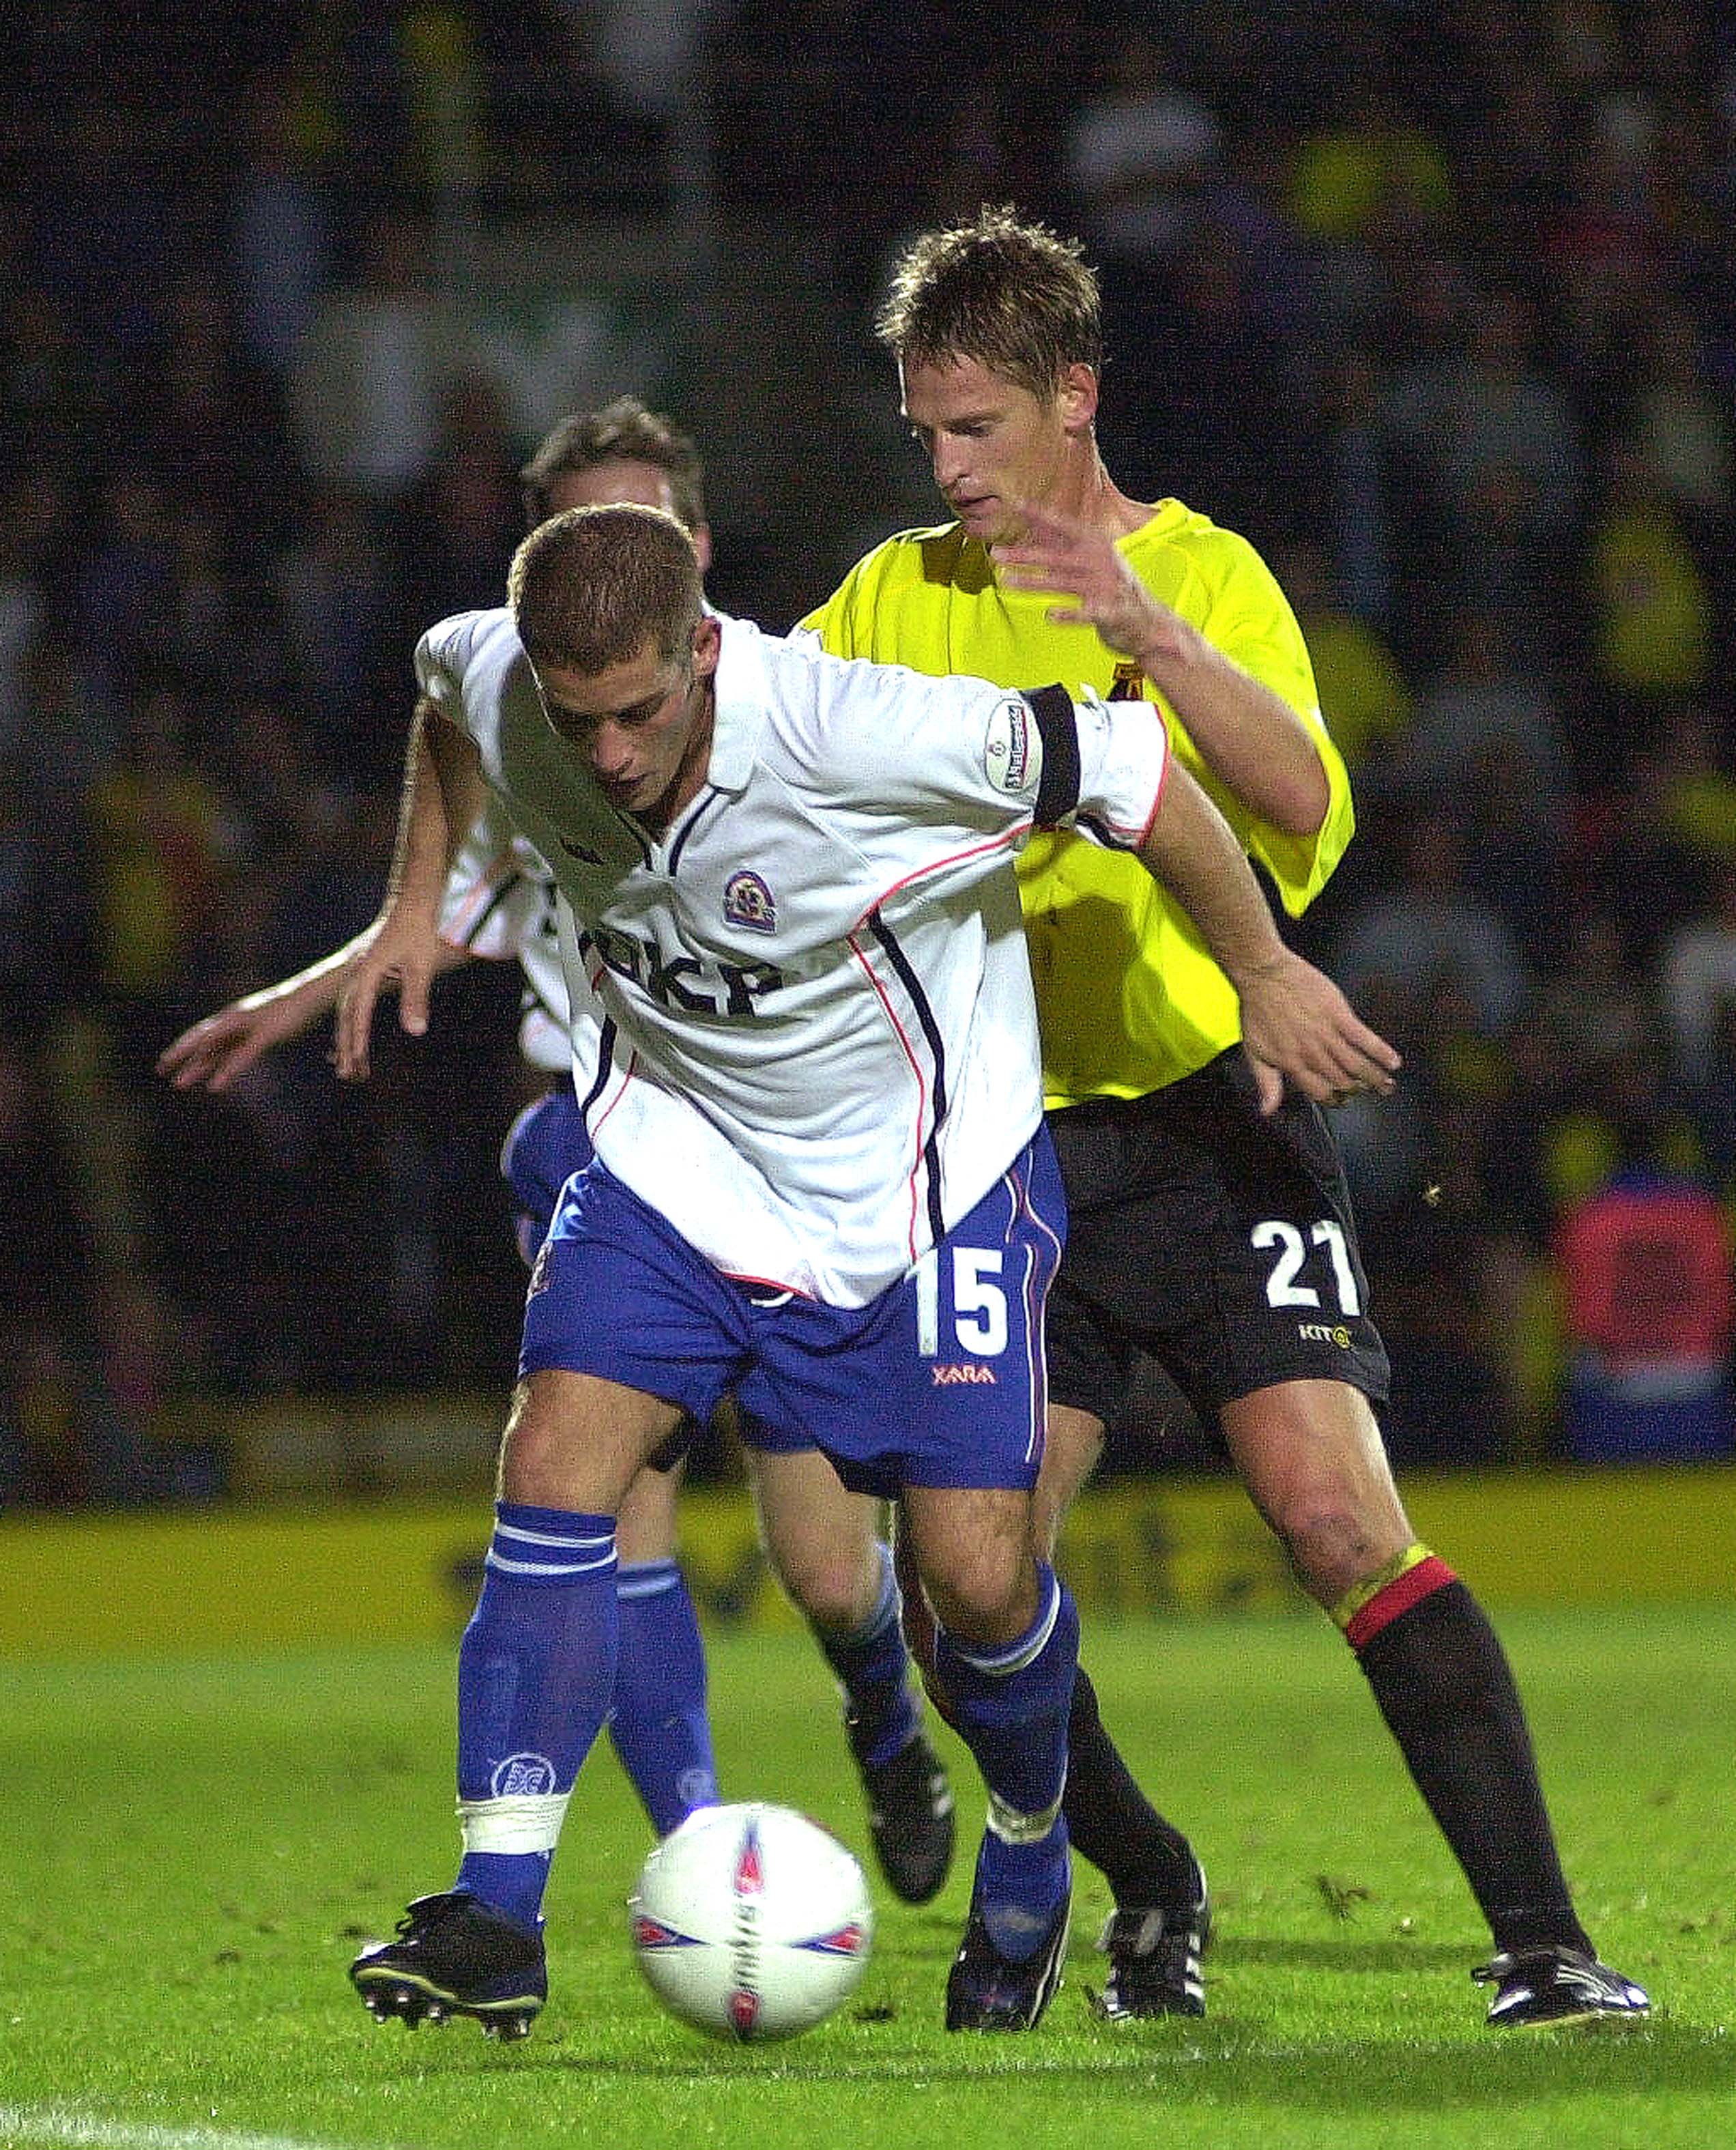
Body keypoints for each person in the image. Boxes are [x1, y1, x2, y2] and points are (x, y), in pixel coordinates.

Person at [339, 500, 1398, 2036]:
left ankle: (1033, 1848)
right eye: (584, 724)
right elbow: (444, 697)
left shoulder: (857, 732)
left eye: (643, 711)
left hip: (925, 1192)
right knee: (555, 1462)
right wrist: (410, 908)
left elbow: (1139, 771)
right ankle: (497, 1909)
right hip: (677, 1167)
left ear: (703, 653)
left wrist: (1264, 970)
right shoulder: (501, 676)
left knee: (972, 1580)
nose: (615, 753)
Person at [800, 205, 1651, 2031]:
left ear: (1074, 398)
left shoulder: (1207, 572)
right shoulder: (889, 597)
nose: (943, 469)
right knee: (965, 1599)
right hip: (1004, 1163)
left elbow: (1304, 794)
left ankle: (1547, 1945)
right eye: (923, 433)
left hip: (1212, 1122)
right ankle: (1155, 1881)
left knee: (1338, 1515)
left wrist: (1150, 640)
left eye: (973, 428)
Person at [156, 399, 957, 1900]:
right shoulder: (560, 715)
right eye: (569, 532)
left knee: (830, 1565)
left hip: (789, 1174)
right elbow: (469, 861)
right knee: (607, 1503)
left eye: (637, 522)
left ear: (698, 551)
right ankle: (702, 1862)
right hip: (607, 1153)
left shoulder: (780, 727)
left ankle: (880, 1712)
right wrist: (336, 967)